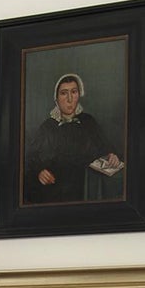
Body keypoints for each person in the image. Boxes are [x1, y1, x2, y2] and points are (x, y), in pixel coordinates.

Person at [24, 73, 121, 204]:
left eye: (74, 92)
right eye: (64, 93)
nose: (70, 99)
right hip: (56, 192)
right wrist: (40, 172)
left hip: (86, 190)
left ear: (79, 95)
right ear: (56, 98)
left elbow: (106, 146)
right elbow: (29, 159)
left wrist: (112, 155)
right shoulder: (47, 127)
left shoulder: (88, 121)